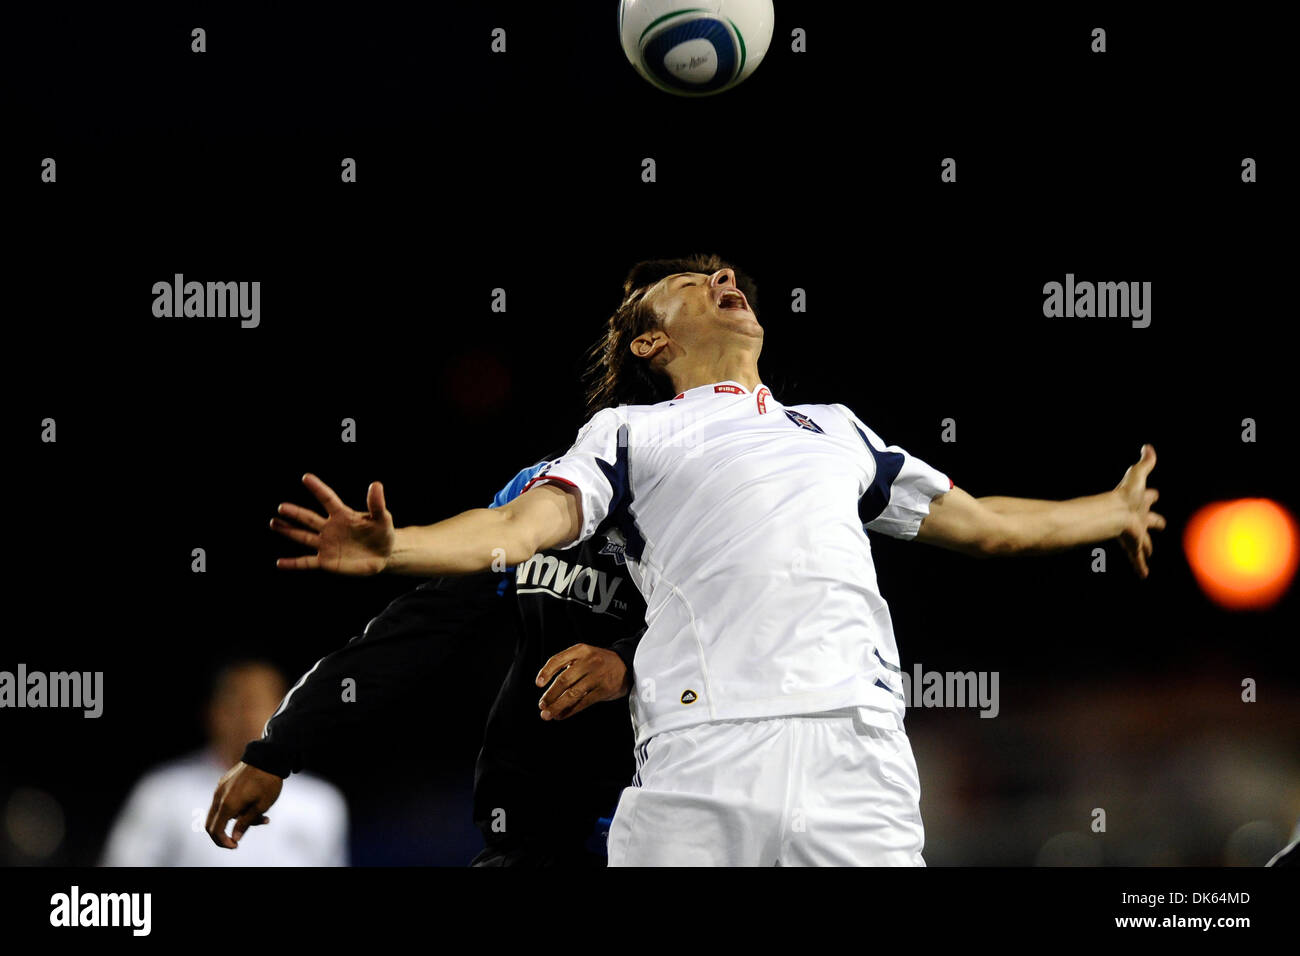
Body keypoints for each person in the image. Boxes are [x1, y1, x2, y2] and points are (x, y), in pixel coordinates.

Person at [260, 253, 1166, 865]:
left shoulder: (837, 431)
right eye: (694, 283)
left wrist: (1108, 509)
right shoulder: (628, 433)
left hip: (859, 751)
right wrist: (401, 545)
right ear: (649, 342)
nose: (725, 279)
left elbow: (987, 525)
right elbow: (528, 526)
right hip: (701, 756)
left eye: (727, 274)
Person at [206, 463, 648, 866]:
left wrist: (629, 660)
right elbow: (421, 625)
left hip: (656, 833)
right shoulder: (541, 488)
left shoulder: (699, 489)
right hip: (528, 837)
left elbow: (715, 622)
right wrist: (275, 748)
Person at [103, 660, 348, 866]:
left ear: (285, 709)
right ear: (213, 712)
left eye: (260, 703)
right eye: (237, 704)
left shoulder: (321, 802)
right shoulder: (163, 791)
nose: (248, 716)